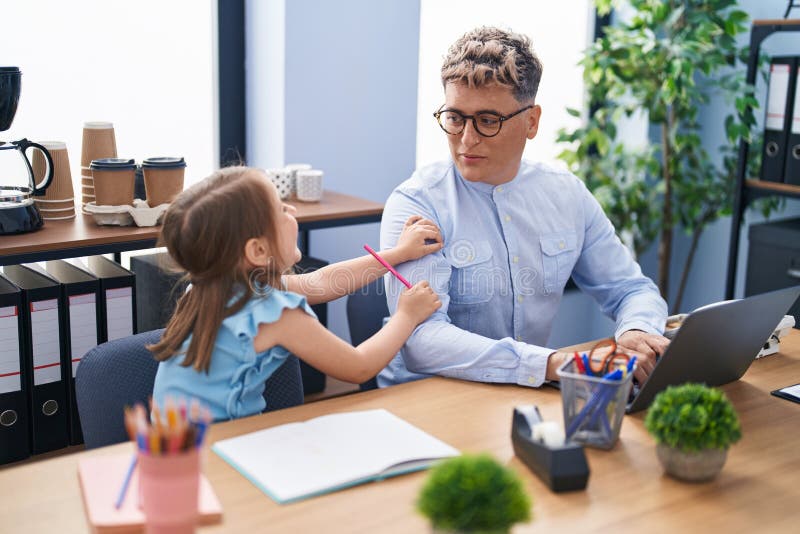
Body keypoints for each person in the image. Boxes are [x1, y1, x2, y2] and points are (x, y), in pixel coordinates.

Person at [378, 26, 669, 389]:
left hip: (523, 392)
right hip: (423, 399)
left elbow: (631, 289)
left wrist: (636, 331)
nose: (466, 139)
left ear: (531, 122)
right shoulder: (417, 202)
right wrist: (556, 364)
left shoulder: (566, 195)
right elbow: (421, 340)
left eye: (487, 121)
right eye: (455, 118)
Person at [150, 166, 442, 420]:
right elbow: (359, 367)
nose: (292, 211)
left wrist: (397, 254)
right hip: (219, 455)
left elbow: (322, 283)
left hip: (179, 452)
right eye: (280, 209)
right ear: (258, 250)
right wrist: (407, 315)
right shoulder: (276, 314)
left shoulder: (209, 287)